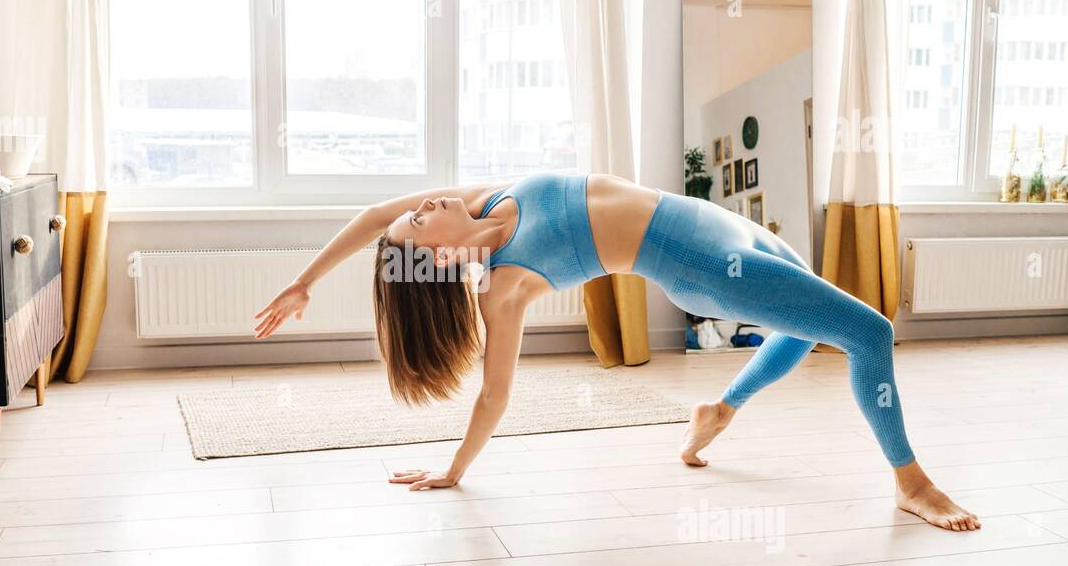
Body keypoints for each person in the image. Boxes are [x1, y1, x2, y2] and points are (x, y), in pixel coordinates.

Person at [253, 171, 980, 531]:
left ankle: (717, 410)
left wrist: (302, 280)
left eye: (419, 206)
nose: (422, 204)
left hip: (716, 224)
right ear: (438, 261)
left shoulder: (480, 197)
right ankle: (910, 482)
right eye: (419, 219)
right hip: (702, 269)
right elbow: (494, 393)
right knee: (869, 331)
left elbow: (374, 217)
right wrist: (453, 469)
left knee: (801, 326)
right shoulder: (503, 288)